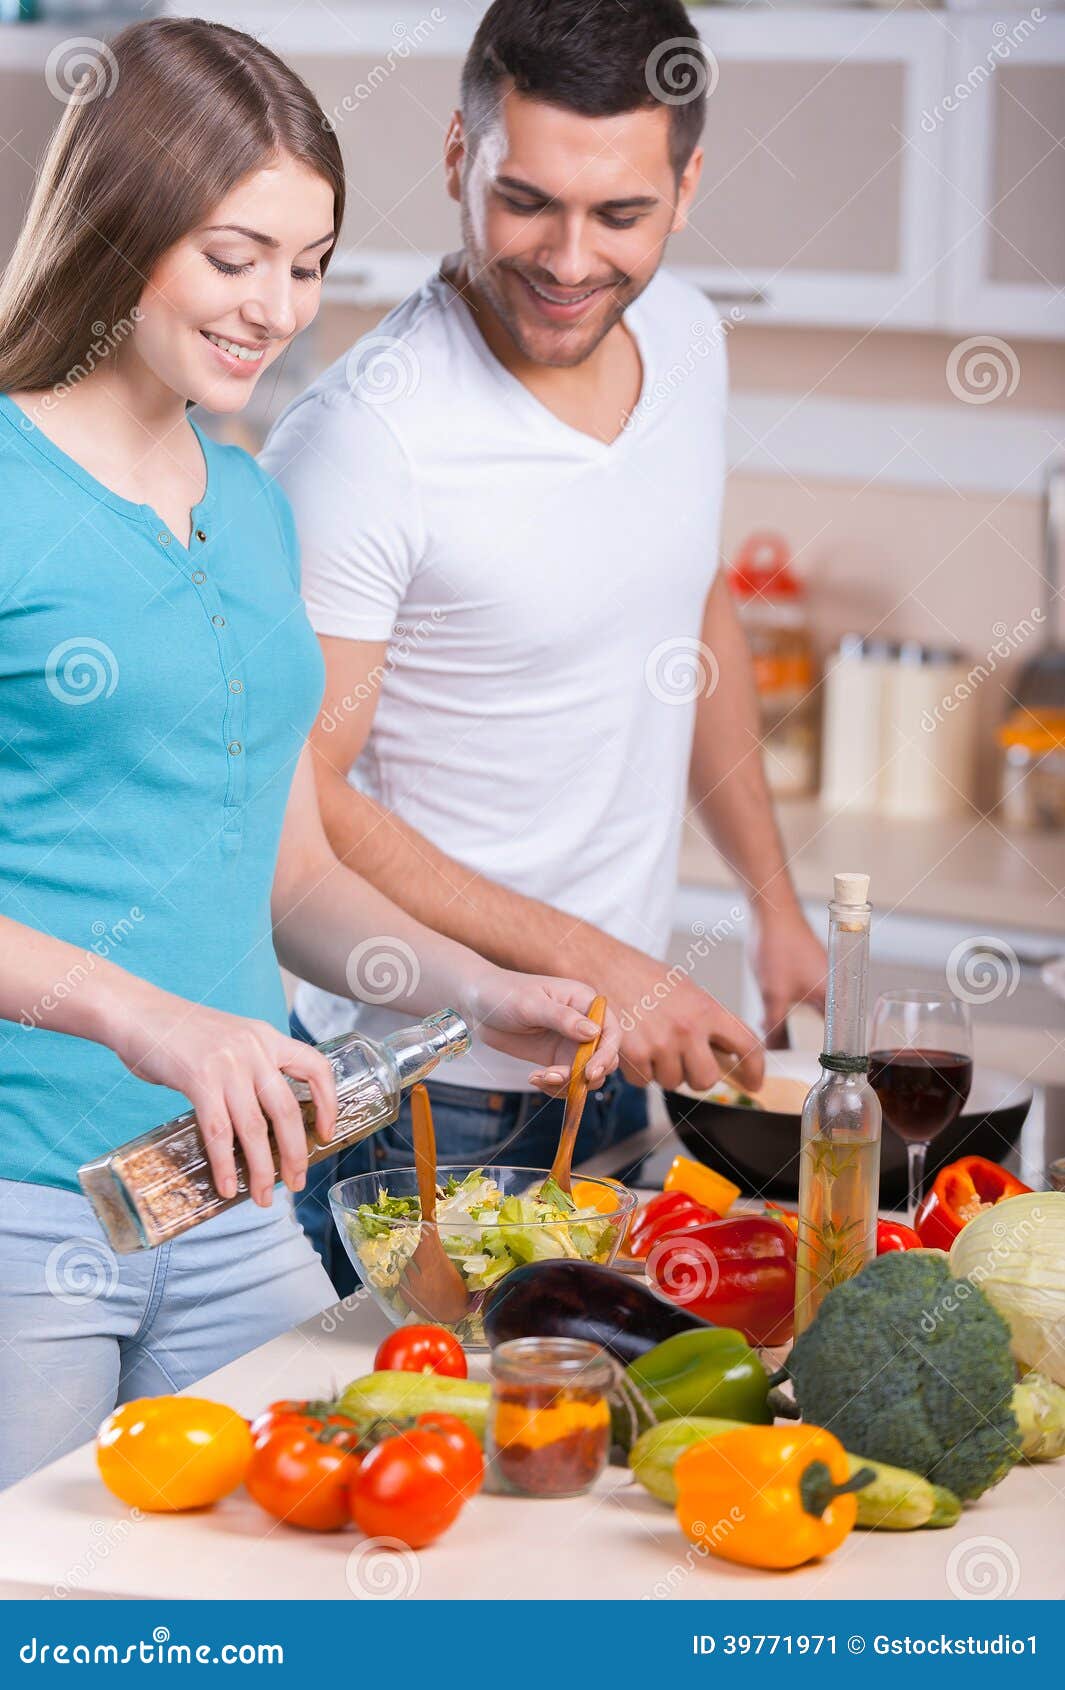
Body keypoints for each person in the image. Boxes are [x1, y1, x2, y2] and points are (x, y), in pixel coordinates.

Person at [0, 16, 620, 1490]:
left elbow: (285, 870)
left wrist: (470, 989)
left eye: (310, 260)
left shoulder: (251, 498)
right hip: (26, 1215)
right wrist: (148, 1017)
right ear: (122, 228)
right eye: (235, 256)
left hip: (234, 1204)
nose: (277, 306)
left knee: (318, 1580)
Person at [261, 0, 821, 1294]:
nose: (570, 259)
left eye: (618, 215)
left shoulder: (688, 337)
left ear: (684, 187)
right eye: (525, 201)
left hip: (613, 1076)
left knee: (580, 1458)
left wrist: (770, 901)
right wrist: (602, 962)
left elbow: (692, 606)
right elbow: (307, 801)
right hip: (426, 1095)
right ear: (459, 157)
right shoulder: (366, 439)